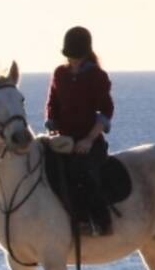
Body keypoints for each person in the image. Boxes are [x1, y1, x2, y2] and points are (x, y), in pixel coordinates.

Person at [44, 25, 115, 236]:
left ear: (85, 54)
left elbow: (106, 110)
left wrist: (89, 140)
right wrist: (53, 128)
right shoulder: (59, 74)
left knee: (81, 172)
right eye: (70, 56)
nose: (73, 60)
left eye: (77, 56)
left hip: (89, 141)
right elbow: (52, 104)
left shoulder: (97, 76)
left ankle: (97, 221)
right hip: (65, 140)